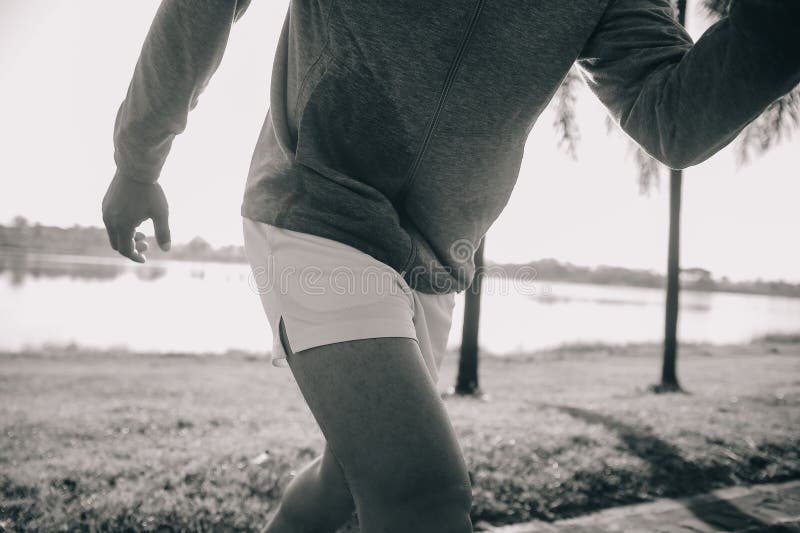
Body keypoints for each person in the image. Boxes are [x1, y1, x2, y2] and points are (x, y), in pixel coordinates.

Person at [102, 1, 799, 531]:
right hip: (318, 201)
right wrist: (138, 158)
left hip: (436, 257)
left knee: (345, 482)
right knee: (424, 496)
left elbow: (671, 116)